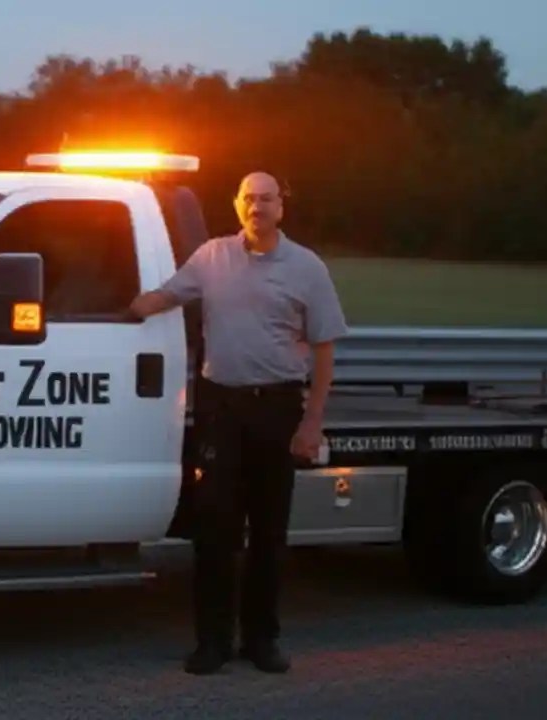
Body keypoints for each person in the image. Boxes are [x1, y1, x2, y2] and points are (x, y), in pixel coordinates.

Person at [128, 171, 349, 675]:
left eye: (266, 199)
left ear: (281, 206)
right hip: (220, 411)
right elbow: (166, 295)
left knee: (269, 533)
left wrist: (311, 423)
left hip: (277, 410)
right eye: (249, 199)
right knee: (215, 532)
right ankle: (212, 643)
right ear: (237, 205)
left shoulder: (307, 268)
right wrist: (124, 307)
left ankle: (262, 640)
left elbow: (324, 350)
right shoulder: (210, 257)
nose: (257, 207)